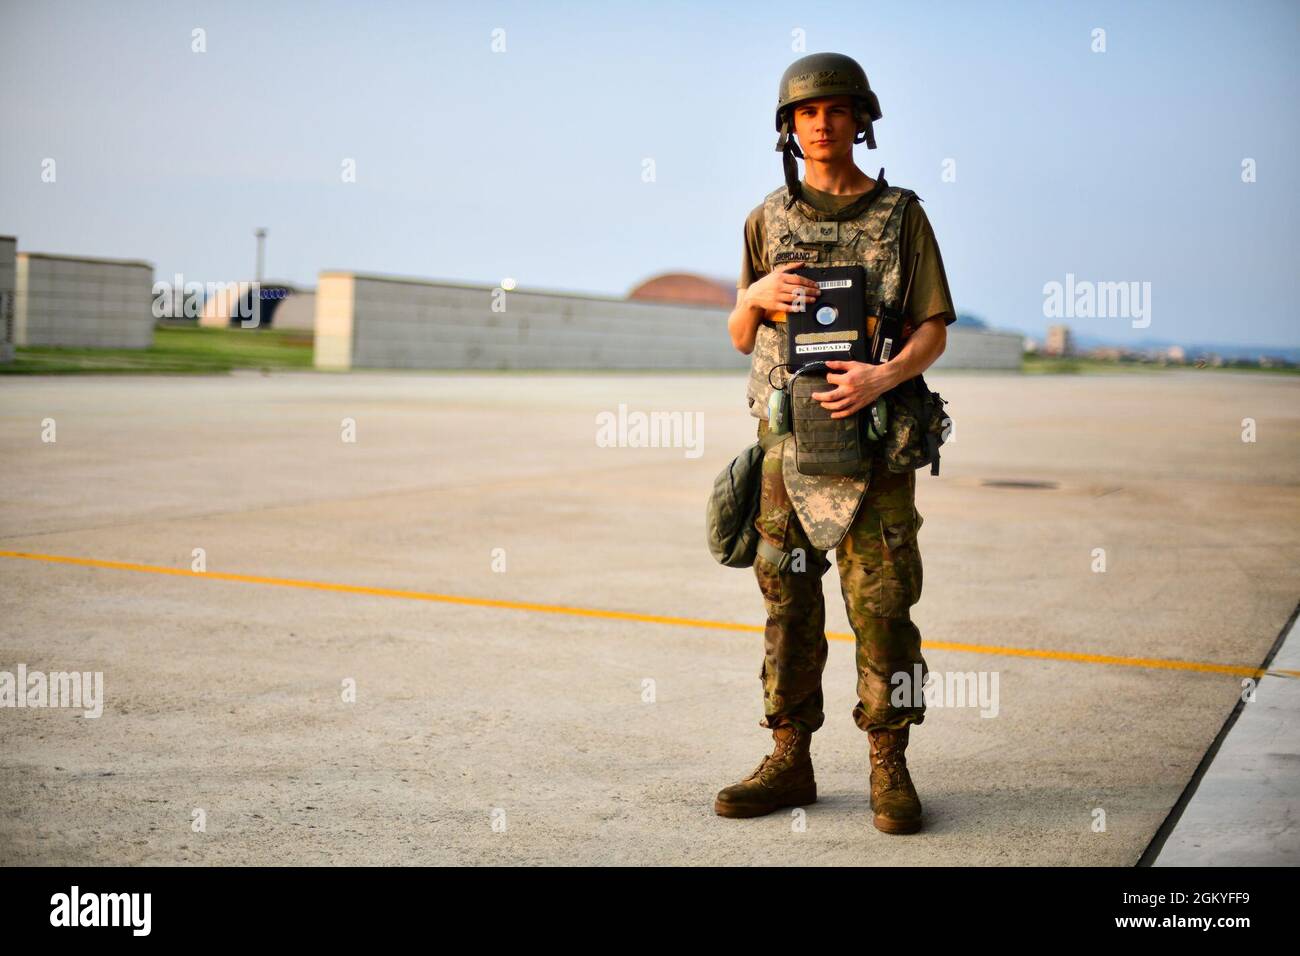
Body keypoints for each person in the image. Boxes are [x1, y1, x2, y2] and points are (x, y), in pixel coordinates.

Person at [715, 52, 957, 834]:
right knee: (787, 606)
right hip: (788, 455)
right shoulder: (766, 219)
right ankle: (790, 759)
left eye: (836, 110)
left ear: (861, 121)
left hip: (876, 450)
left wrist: (881, 380)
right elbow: (737, 334)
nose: (821, 124)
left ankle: (891, 766)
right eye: (806, 113)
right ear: (790, 128)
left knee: (885, 610)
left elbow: (931, 331)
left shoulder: (902, 216)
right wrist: (753, 294)